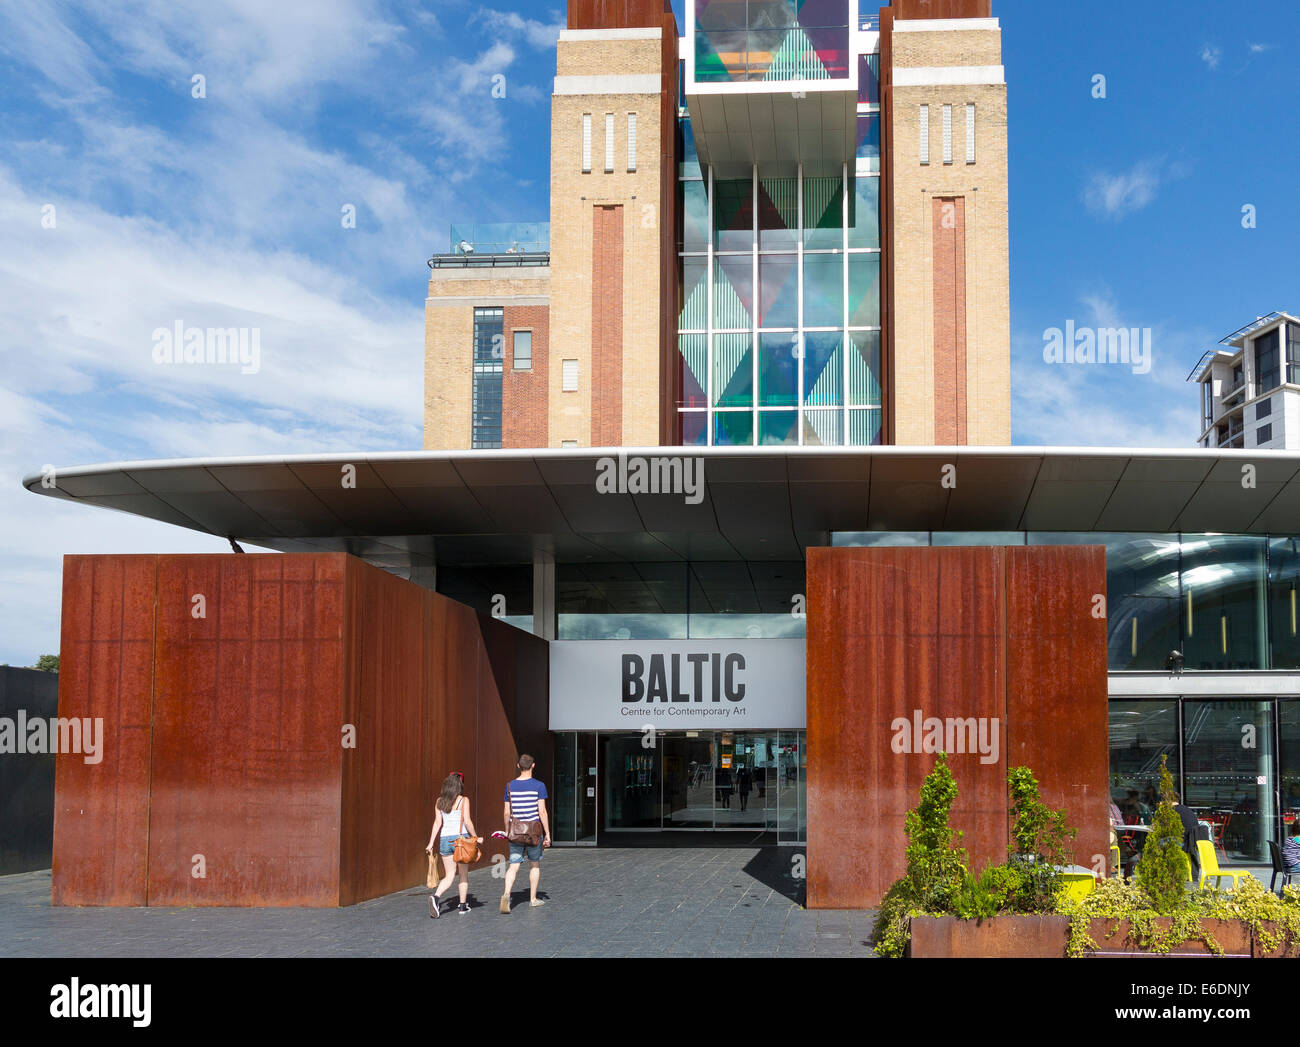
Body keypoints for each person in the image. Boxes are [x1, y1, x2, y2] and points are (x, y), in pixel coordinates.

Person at [425, 771, 481, 918]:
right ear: (459, 785)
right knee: (463, 875)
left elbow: (437, 823)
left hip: (444, 840)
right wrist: (475, 837)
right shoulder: (463, 800)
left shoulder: (439, 801)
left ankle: (436, 897)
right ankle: (462, 906)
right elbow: (467, 821)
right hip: (460, 840)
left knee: (449, 875)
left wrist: (431, 843)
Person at [501, 754, 550, 913]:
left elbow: (507, 812)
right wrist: (547, 833)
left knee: (513, 865)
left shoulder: (509, 786)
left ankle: (507, 894)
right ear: (533, 766)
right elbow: (542, 811)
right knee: (534, 864)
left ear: (518, 766)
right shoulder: (539, 786)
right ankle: (533, 899)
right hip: (534, 831)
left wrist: (507, 830)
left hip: (516, 832)